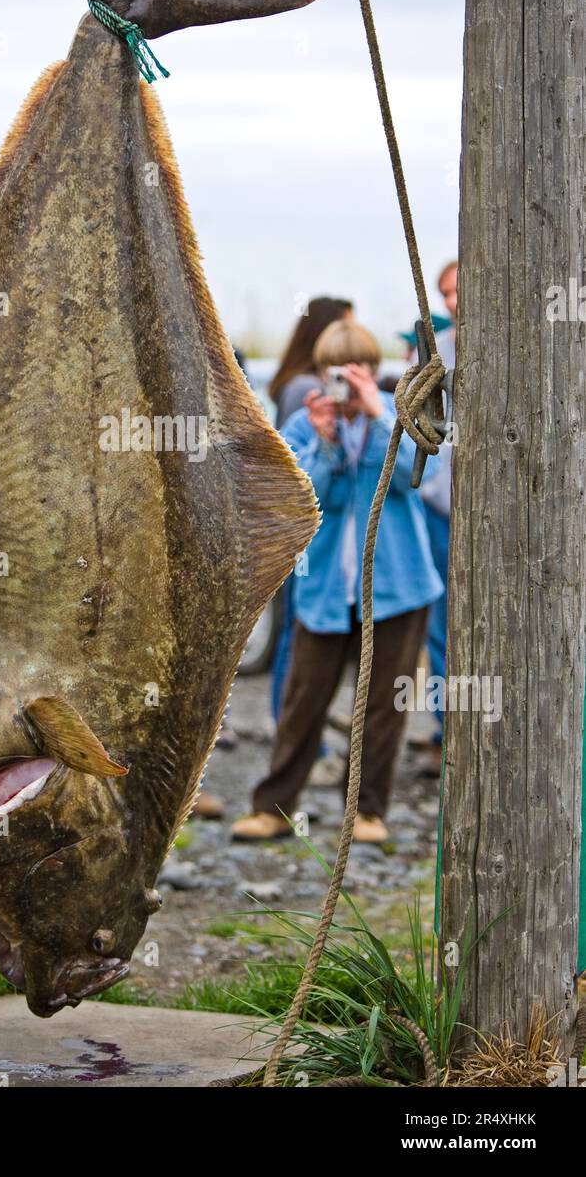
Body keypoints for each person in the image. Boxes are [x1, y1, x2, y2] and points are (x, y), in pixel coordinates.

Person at [231, 320, 443, 846]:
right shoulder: (305, 426)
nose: (347, 382)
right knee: (304, 701)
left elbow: (410, 483)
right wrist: (325, 443)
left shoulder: (396, 420)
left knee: (383, 707)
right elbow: (306, 500)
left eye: (360, 370)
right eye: (336, 373)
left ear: (374, 373)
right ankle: (275, 808)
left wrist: (378, 418)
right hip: (326, 590)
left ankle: (367, 813)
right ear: (320, 376)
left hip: (398, 587)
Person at [268, 298, 354, 725]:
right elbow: (293, 468)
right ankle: (290, 721)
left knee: (290, 629)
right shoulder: (307, 391)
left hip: (295, 533)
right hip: (305, 538)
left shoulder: (292, 382)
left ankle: (292, 723)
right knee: (292, 635)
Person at [418, 260, 458, 773]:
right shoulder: (435, 352)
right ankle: (447, 727)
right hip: (438, 507)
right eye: (445, 293)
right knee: (440, 624)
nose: (452, 301)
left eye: (458, 290)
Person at [270, 297, 354, 430]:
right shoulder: (306, 387)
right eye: (346, 330)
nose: (355, 337)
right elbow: (293, 445)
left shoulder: (303, 383)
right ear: (323, 334)